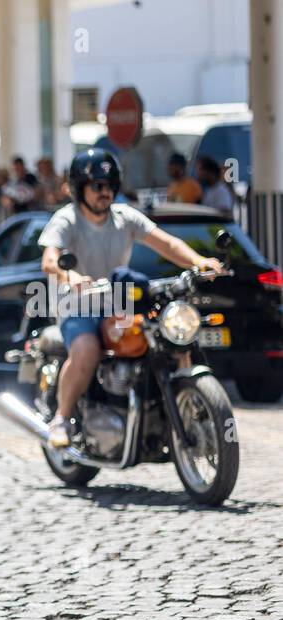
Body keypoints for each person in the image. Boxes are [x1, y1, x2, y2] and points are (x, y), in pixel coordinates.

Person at [38, 148, 225, 448]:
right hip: (78, 306)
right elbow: (50, 259)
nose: (106, 192)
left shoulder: (125, 217)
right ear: (78, 188)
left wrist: (197, 261)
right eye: (98, 185)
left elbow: (165, 243)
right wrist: (70, 277)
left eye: (111, 185)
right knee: (86, 348)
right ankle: (61, 418)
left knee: (164, 341)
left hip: (120, 304)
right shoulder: (67, 219)